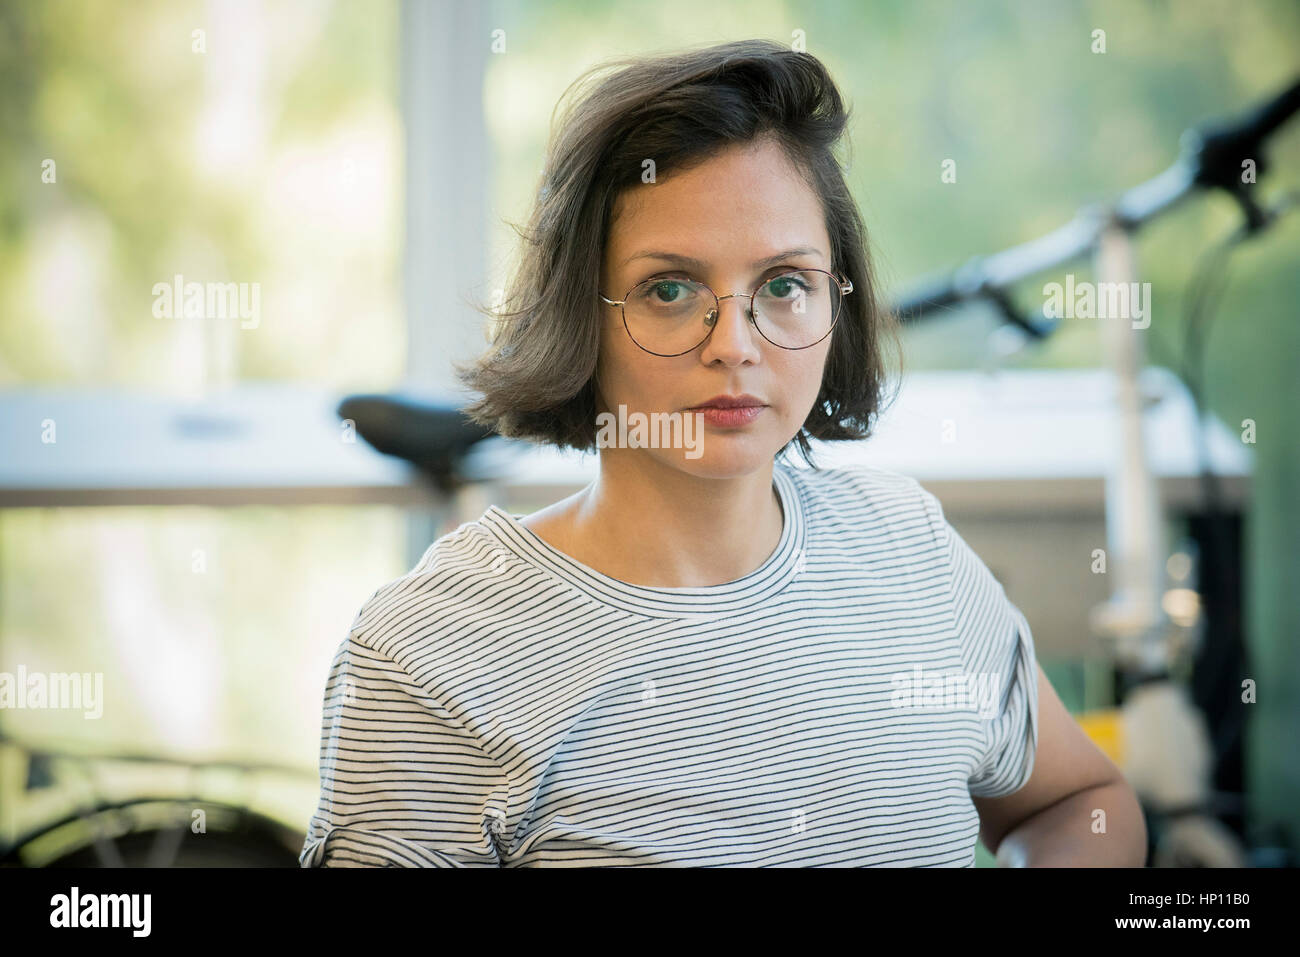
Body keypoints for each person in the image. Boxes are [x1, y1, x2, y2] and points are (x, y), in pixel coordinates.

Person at [300, 38, 1145, 867]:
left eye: (783, 285)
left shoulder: (911, 552)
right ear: (576, 313)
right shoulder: (428, 652)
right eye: (669, 290)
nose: (734, 343)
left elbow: (1081, 803)